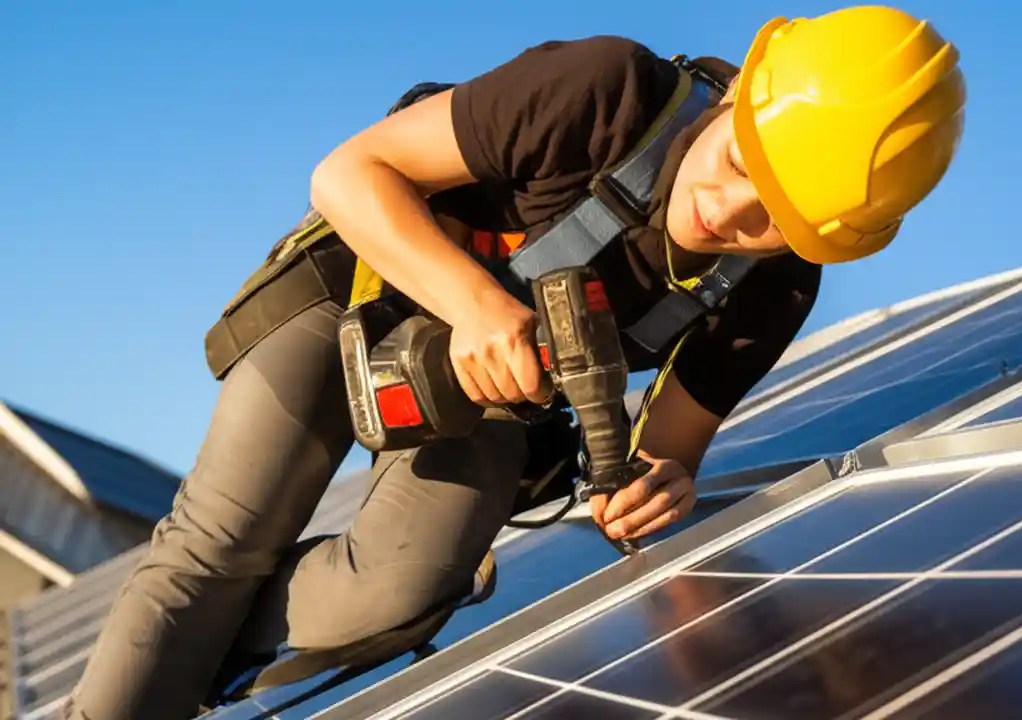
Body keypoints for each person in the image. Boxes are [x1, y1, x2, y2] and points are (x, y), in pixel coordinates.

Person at [64, 5, 965, 718]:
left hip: (493, 394)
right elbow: (351, 173)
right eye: (737, 164)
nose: (729, 214)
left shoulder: (773, 289)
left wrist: (657, 483)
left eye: (773, 220)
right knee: (221, 544)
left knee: (405, 595)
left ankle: (163, 662)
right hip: (359, 285)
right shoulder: (604, 88)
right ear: (741, 94)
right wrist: (474, 303)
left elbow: (669, 450)